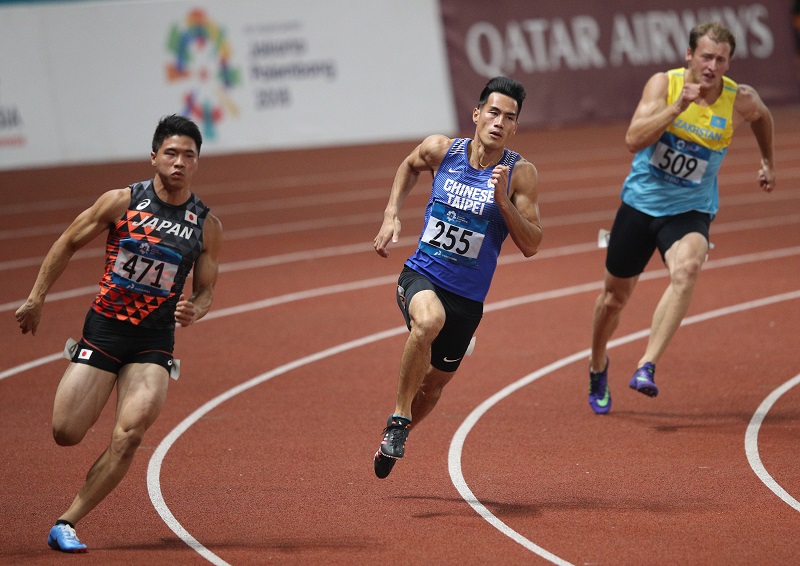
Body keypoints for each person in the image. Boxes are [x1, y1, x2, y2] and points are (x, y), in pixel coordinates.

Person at [15, 114, 223, 551]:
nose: (180, 162)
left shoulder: (206, 225)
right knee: (65, 432)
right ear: (153, 157)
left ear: (197, 162)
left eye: (189, 155)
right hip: (105, 331)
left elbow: (205, 290)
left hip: (154, 343)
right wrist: (36, 298)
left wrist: (196, 309)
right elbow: (68, 242)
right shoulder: (121, 201)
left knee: (129, 437)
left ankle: (66, 522)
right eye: (171, 153)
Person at [587, 21, 775, 415]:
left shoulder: (739, 99)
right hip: (640, 204)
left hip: (690, 209)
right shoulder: (664, 85)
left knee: (688, 267)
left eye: (720, 60)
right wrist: (677, 109)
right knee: (613, 299)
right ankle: (597, 363)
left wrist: (767, 161)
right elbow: (633, 140)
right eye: (705, 57)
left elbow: (762, 117)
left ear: (728, 63)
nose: (712, 66)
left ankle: (647, 364)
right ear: (689, 55)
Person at [371, 76, 543, 478]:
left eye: (509, 117)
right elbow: (409, 165)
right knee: (429, 320)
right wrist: (391, 213)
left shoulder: (520, 174)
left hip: (467, 301)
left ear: (516, 127)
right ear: (477, 113)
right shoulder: (441, 149)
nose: (499, 122)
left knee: (433, 387)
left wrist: (503, 203)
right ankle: (398, 418)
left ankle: (397, 437)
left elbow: (532, 243)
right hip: (421, 275)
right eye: (494, 112)